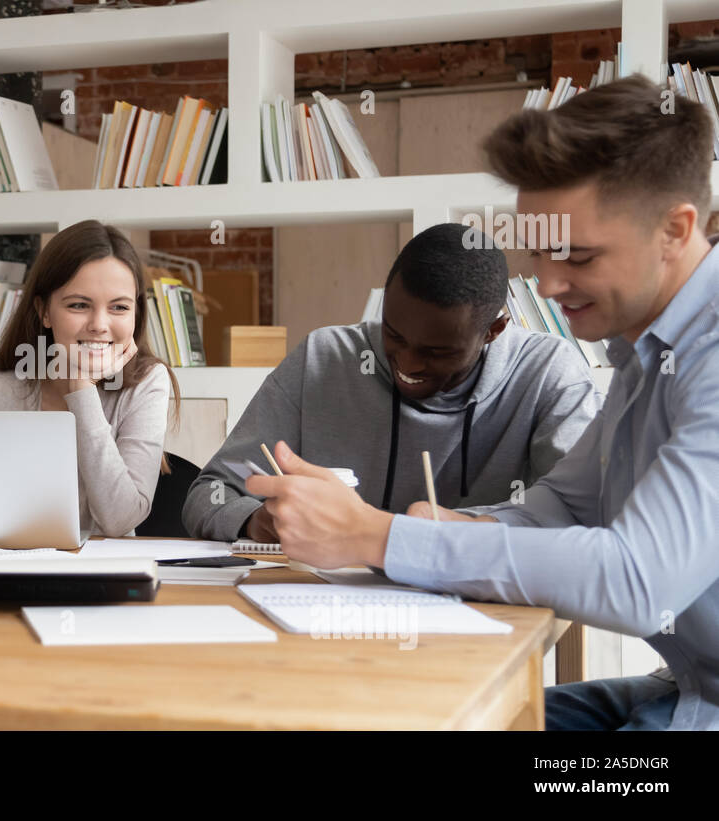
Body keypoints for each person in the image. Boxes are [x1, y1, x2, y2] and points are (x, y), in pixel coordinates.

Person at [242, 76, 719, 730]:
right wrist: (426, 526)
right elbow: (564, 507)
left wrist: (372, 535)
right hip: (688, 687)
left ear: (676, 228)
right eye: (538, 250)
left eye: (576, 255)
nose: (548, 284)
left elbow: (638, 581)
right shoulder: (644, 350)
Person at [184, 222, 600, 542]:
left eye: (438, 352)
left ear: (494, 329)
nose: (407, 363)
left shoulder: (548, 373)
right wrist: (256, 521)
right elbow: (211, 492)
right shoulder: (323, 358)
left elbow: (580, 515)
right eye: (394, 335)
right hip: (326, 614)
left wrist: (446, 530)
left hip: (480, 615)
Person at [0, 219, 177, 537]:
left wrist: (81, 389)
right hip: (5, 574)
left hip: (104, 579)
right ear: (44, 311)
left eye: (119, 307)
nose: (99, 324)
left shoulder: (147, 383)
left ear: (135, 312)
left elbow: (120, 520)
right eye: (79, 305)